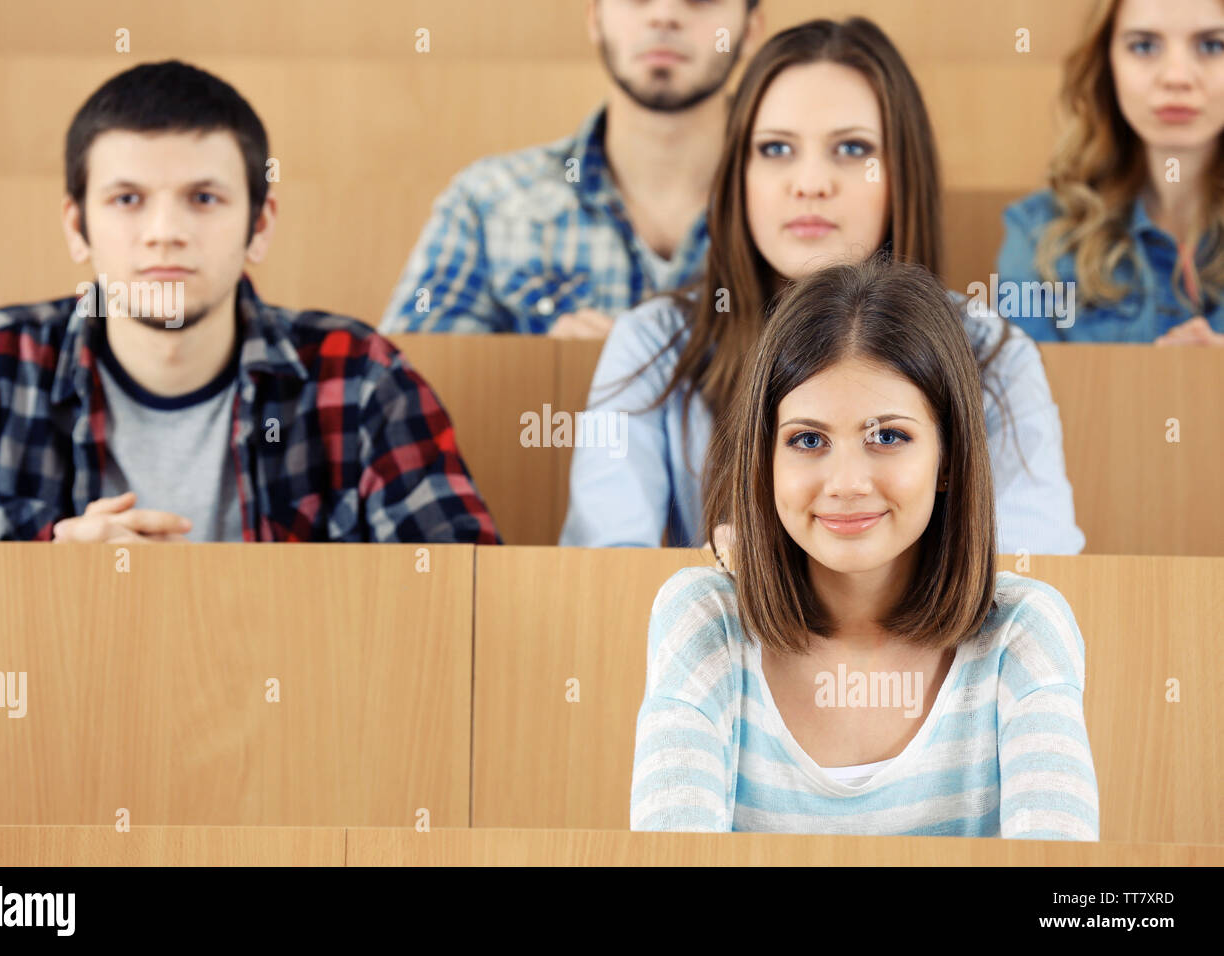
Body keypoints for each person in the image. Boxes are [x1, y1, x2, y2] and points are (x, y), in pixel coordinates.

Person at [561, 18, 1085, 554]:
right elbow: (607, 571)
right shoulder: (651, 343)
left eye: (852, 149)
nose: (810, 183)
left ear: (905, 170)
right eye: (776, 150)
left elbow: (1031, 580)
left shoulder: (993, 356)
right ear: (736, 175)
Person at [0, 60, 498, 544]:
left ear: (260, 222)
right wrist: (47, 588)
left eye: (204, 197)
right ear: (78, 227)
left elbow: (463, 606)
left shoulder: (362, 379)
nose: (165, 231)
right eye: (127, 199)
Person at [630, 259, 1099, 837]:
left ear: (947, 458)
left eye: (889, 436)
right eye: (807, 439)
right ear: (765, 459)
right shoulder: (704, 620)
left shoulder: (1024, 632)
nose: (846, 483)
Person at [379, 0, 764, 337]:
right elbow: (408, 386)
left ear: (750, 29)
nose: (664, 14)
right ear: (595, 17)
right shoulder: (489, 200)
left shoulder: (798, 205)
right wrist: (551, 368)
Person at [996, 0, 1224, 344]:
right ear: (1108, 63)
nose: (1176, 77)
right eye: (1144, 46)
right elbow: (1015, 394)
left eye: (1212, 45)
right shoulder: (1036, 233)